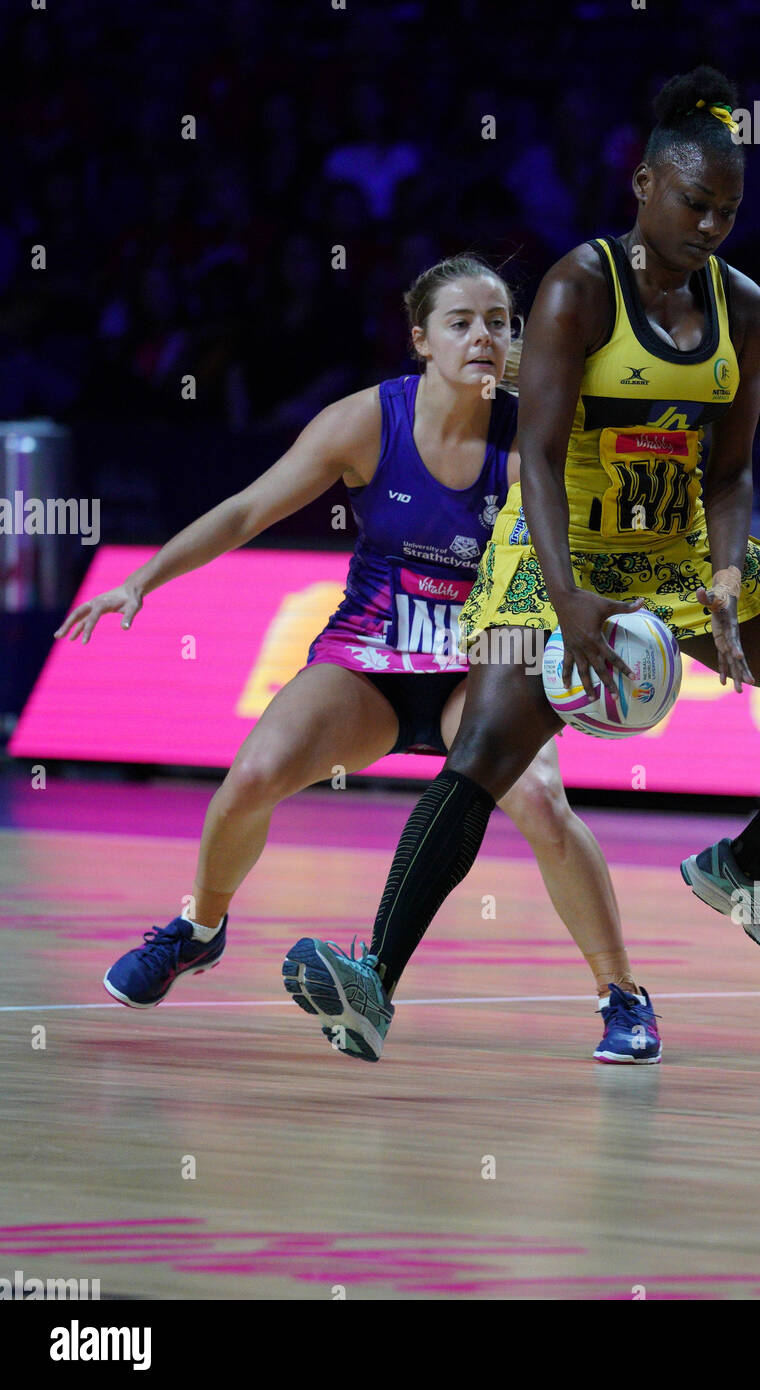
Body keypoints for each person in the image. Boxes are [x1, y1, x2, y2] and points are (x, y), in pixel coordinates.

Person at [300, 66, 760, 1062]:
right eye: (693, 203)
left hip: (676, 555)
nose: (711, 225)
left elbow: (735, 471)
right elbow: (536, 455)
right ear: (643, 186)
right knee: (488, 756)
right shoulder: (578, 290)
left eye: (727, 210)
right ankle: (373, 982)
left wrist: (722, 575)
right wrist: (571, 599)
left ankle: (750, 862)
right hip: (559, 554)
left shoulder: (746, 312)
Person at [54, 254, 661, 1065]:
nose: (482, 336)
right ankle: (198, 928)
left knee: (543, 804)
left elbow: (626, 474)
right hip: (369, 657)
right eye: (460, 322)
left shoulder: (531, 437)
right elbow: (244, 511)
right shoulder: (365, 423)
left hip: (484, 664)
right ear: (420, 339)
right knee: (253, 776)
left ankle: (622, 995)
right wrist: (141, 581)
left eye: (498, 323)